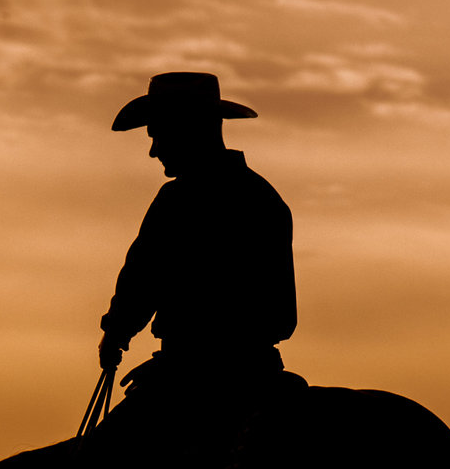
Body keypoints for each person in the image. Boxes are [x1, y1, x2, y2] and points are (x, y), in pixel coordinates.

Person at [96, 70, 298, 411]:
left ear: (185, 131)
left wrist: (116, 333)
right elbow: (273, 310)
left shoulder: (178, 201)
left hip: (192, 377)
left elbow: (142, 277)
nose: (153, 151)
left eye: (158, 135)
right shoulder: (264, 197)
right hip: (258, 370)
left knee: (108, 459)